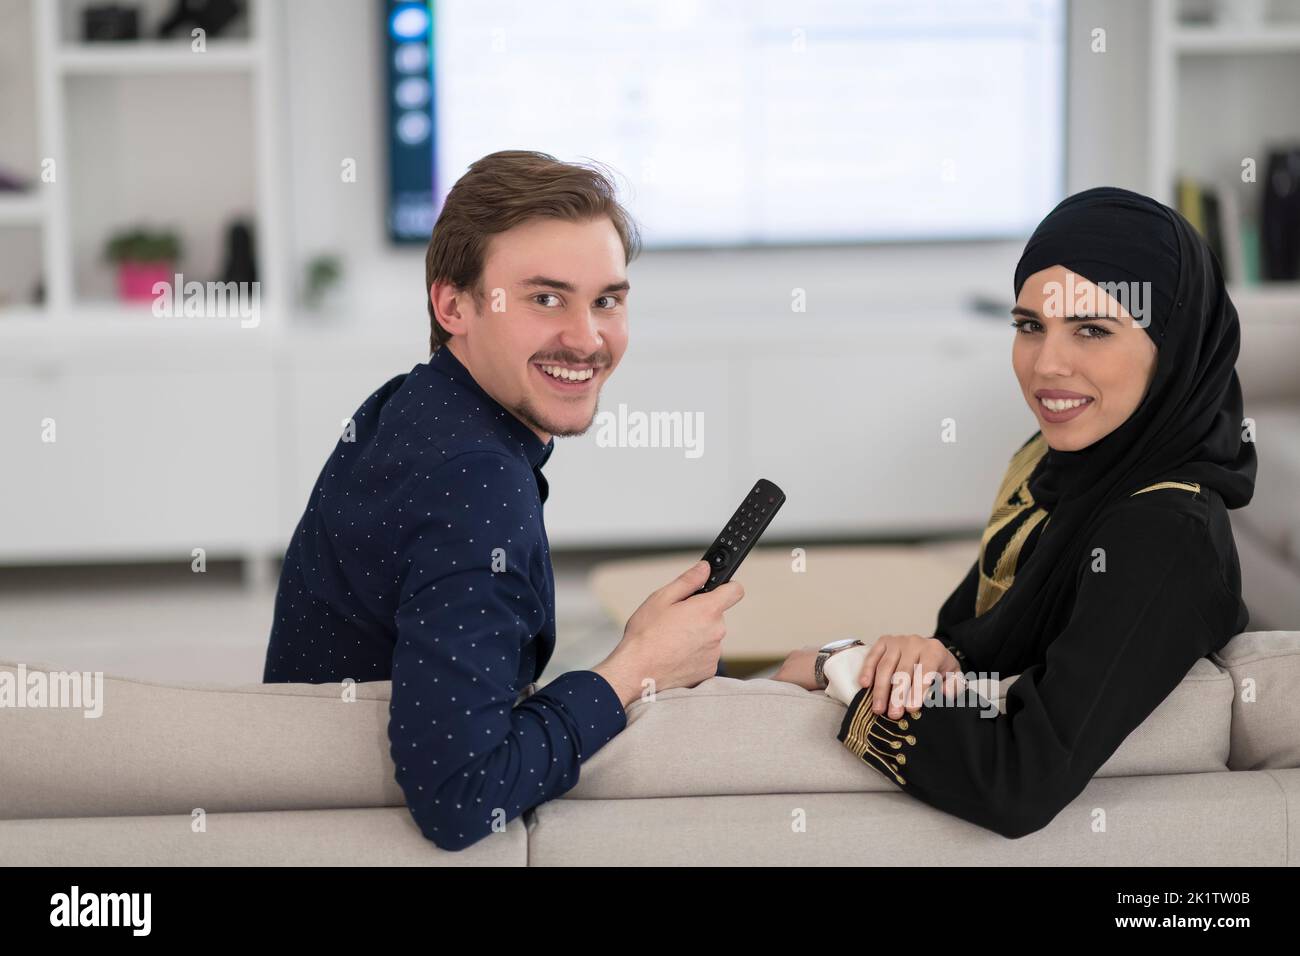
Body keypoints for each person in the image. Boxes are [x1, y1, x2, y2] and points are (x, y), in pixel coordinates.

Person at [263, 150, 743, 851]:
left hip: (299, 771)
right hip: (345, 824)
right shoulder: (476, 481)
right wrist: (638, 668)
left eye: (606, 300)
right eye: (546, 298)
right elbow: (462, 797)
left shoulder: (410, 401)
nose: (587, 339)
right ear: (452, 305)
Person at [773, 186, 1256, 838]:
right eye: (1030, 326)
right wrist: (937, 657)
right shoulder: (1057, 462)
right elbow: (981, 638)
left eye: (1092, 329)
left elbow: (1020, 781)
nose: (1046, 365)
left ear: (1172, 346)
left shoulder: (1164, 535)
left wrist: (843, 667)